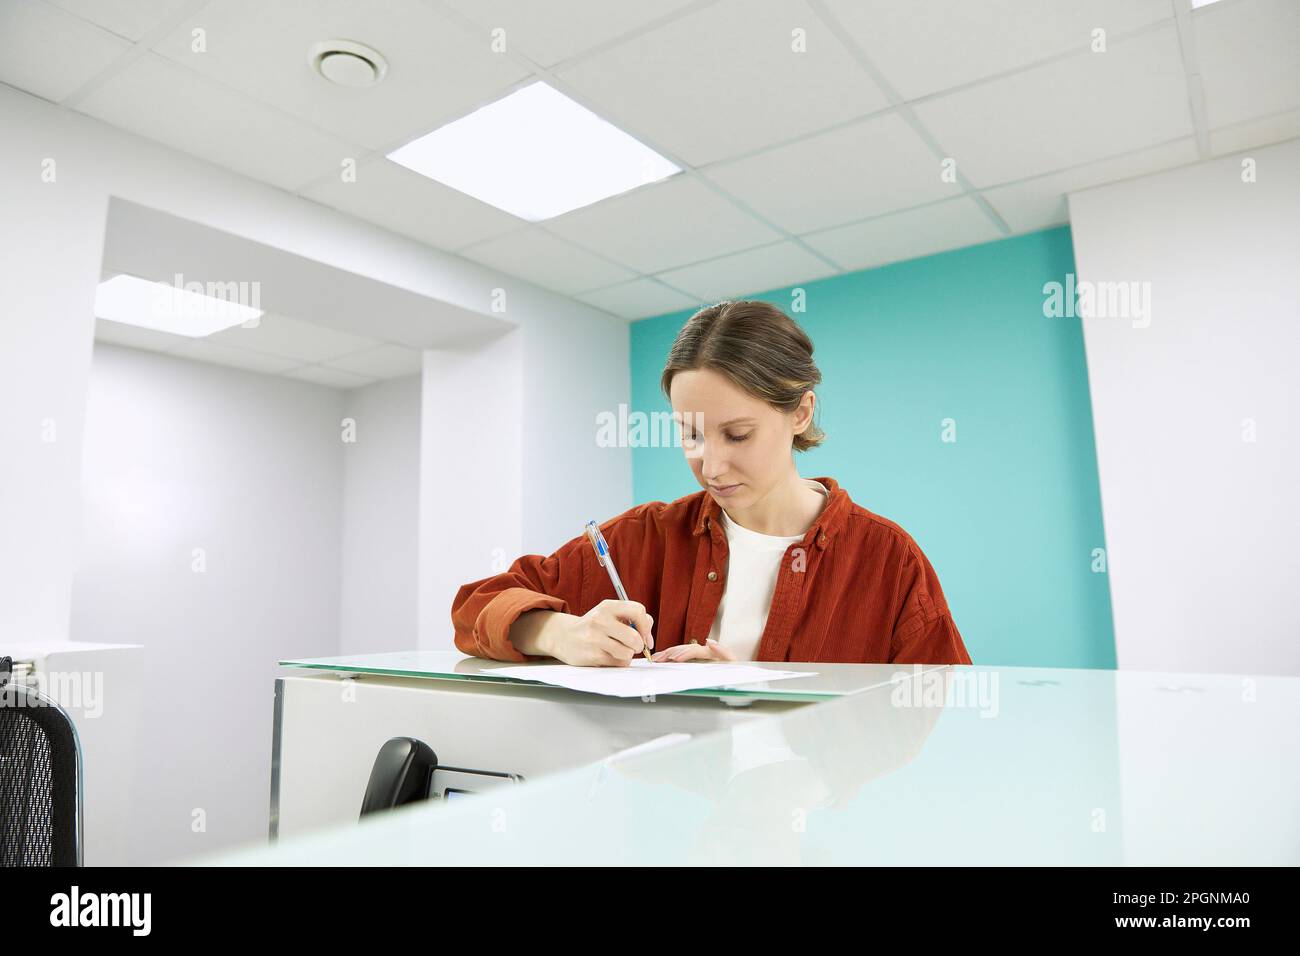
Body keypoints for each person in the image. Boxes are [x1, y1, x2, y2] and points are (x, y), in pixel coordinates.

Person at [451, 299, 972, 668]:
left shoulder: (888, 561)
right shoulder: (644, 538)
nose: (711, 466)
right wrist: (561, 633)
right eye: (691, 433)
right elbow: (474, 606)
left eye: (738, 434)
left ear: (801, 412)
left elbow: (939, 727)